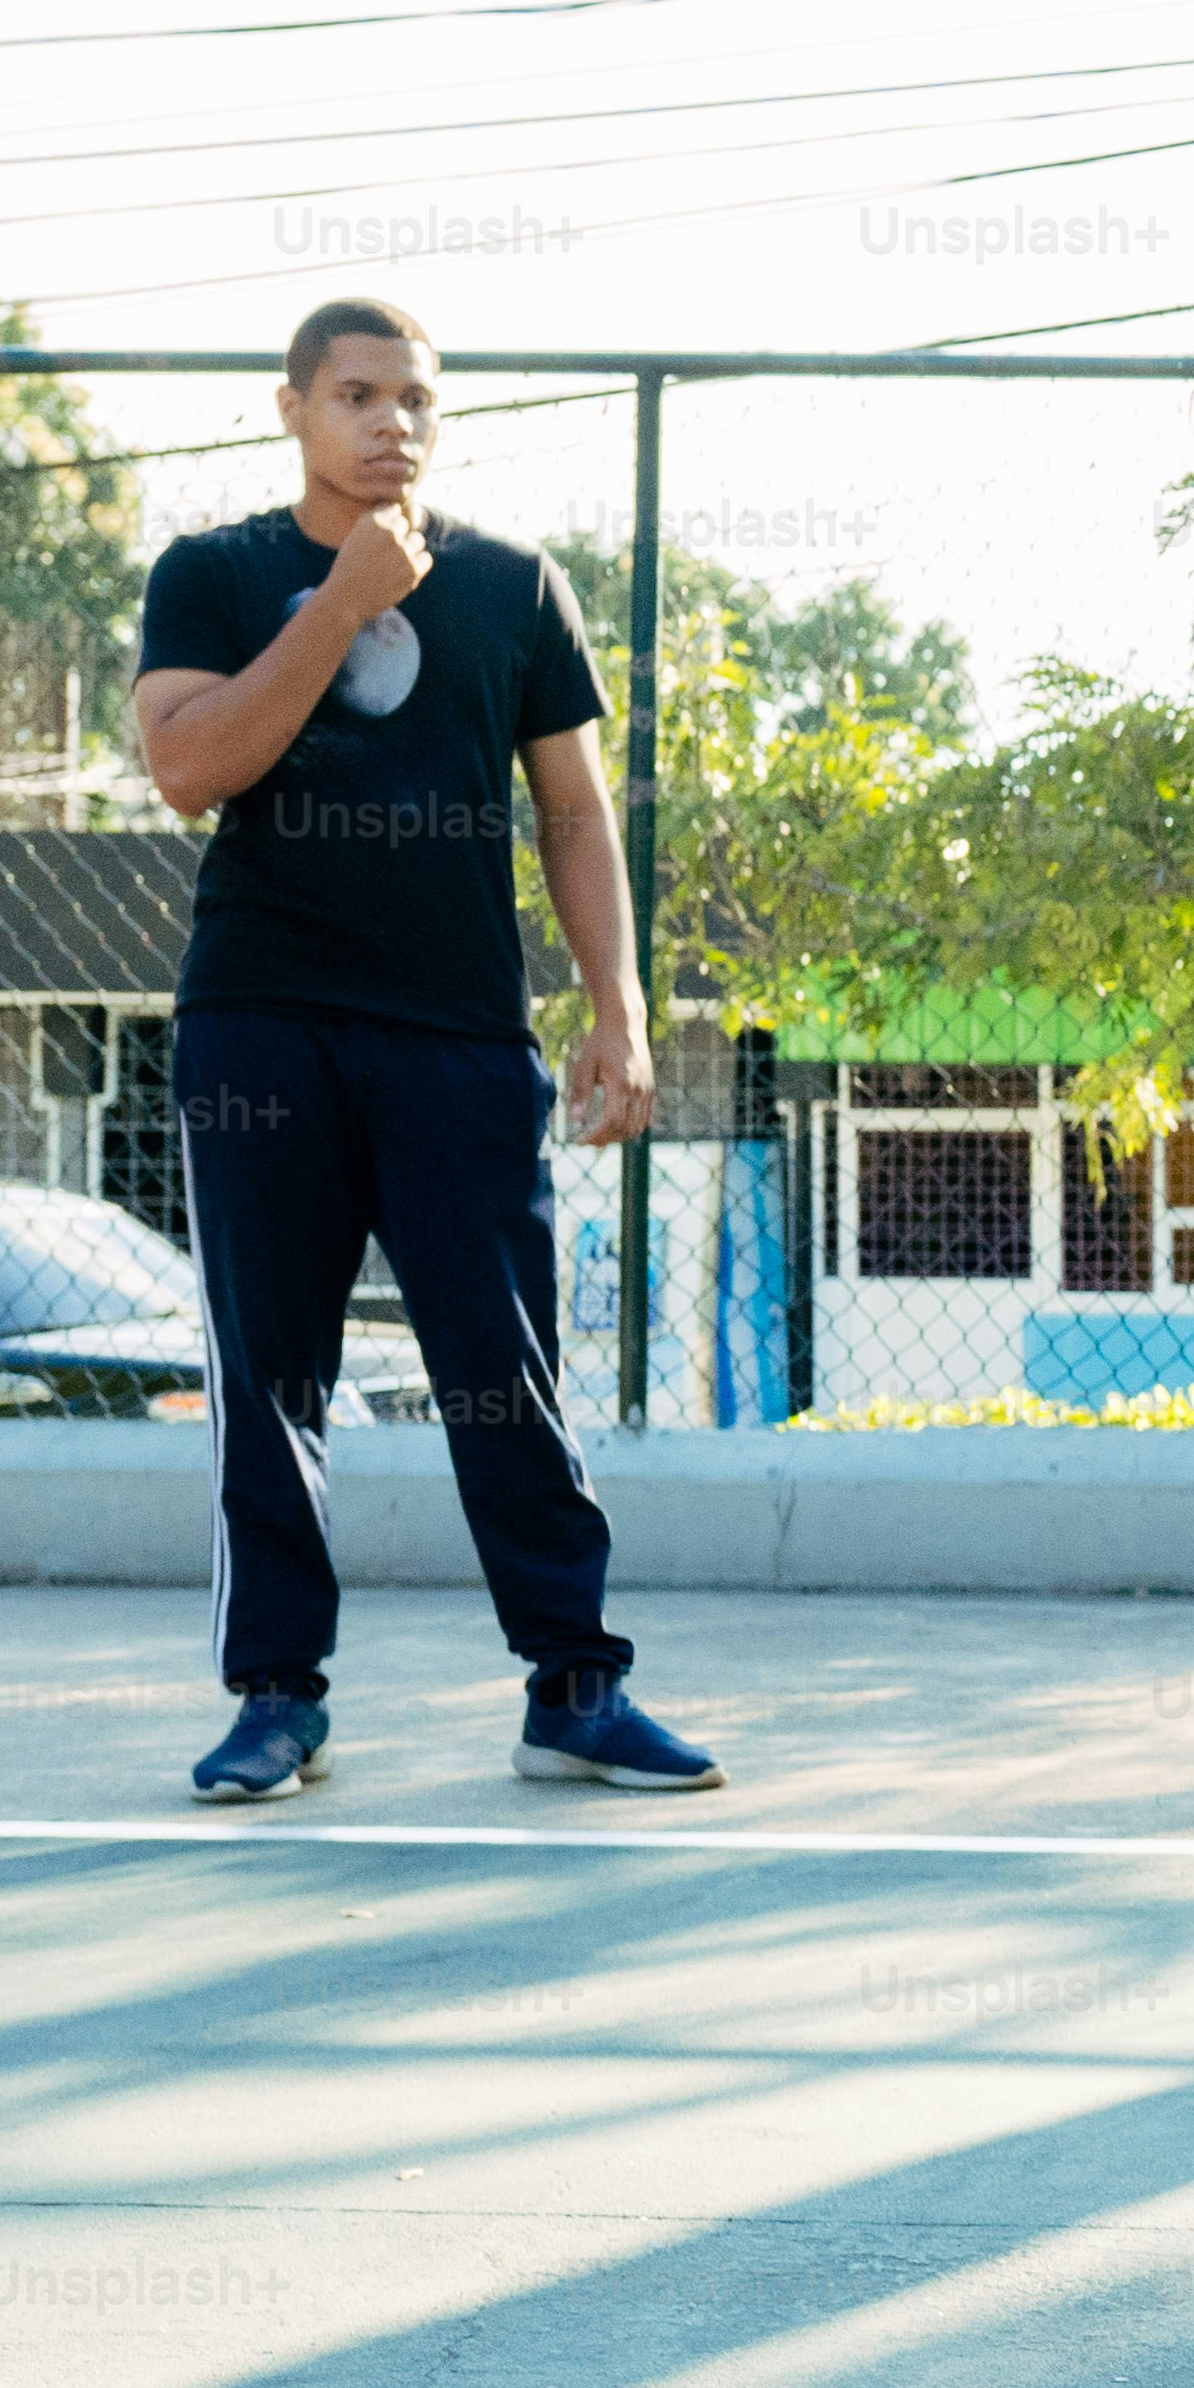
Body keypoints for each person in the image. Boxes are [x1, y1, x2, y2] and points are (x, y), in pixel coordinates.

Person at [128, 297, 722, 1804]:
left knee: (500, 1370)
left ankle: (576, 1685)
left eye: (416, 400)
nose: (392, 422)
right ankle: (275, 1695)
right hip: (260, 1025)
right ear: (292, 408)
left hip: (457, 1038)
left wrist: (619, 1007)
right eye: (358, 394)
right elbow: (188, 767)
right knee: (267, 1373)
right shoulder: (213, 573)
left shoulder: (517, 585)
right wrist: (336, 604)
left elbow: (575, 812)